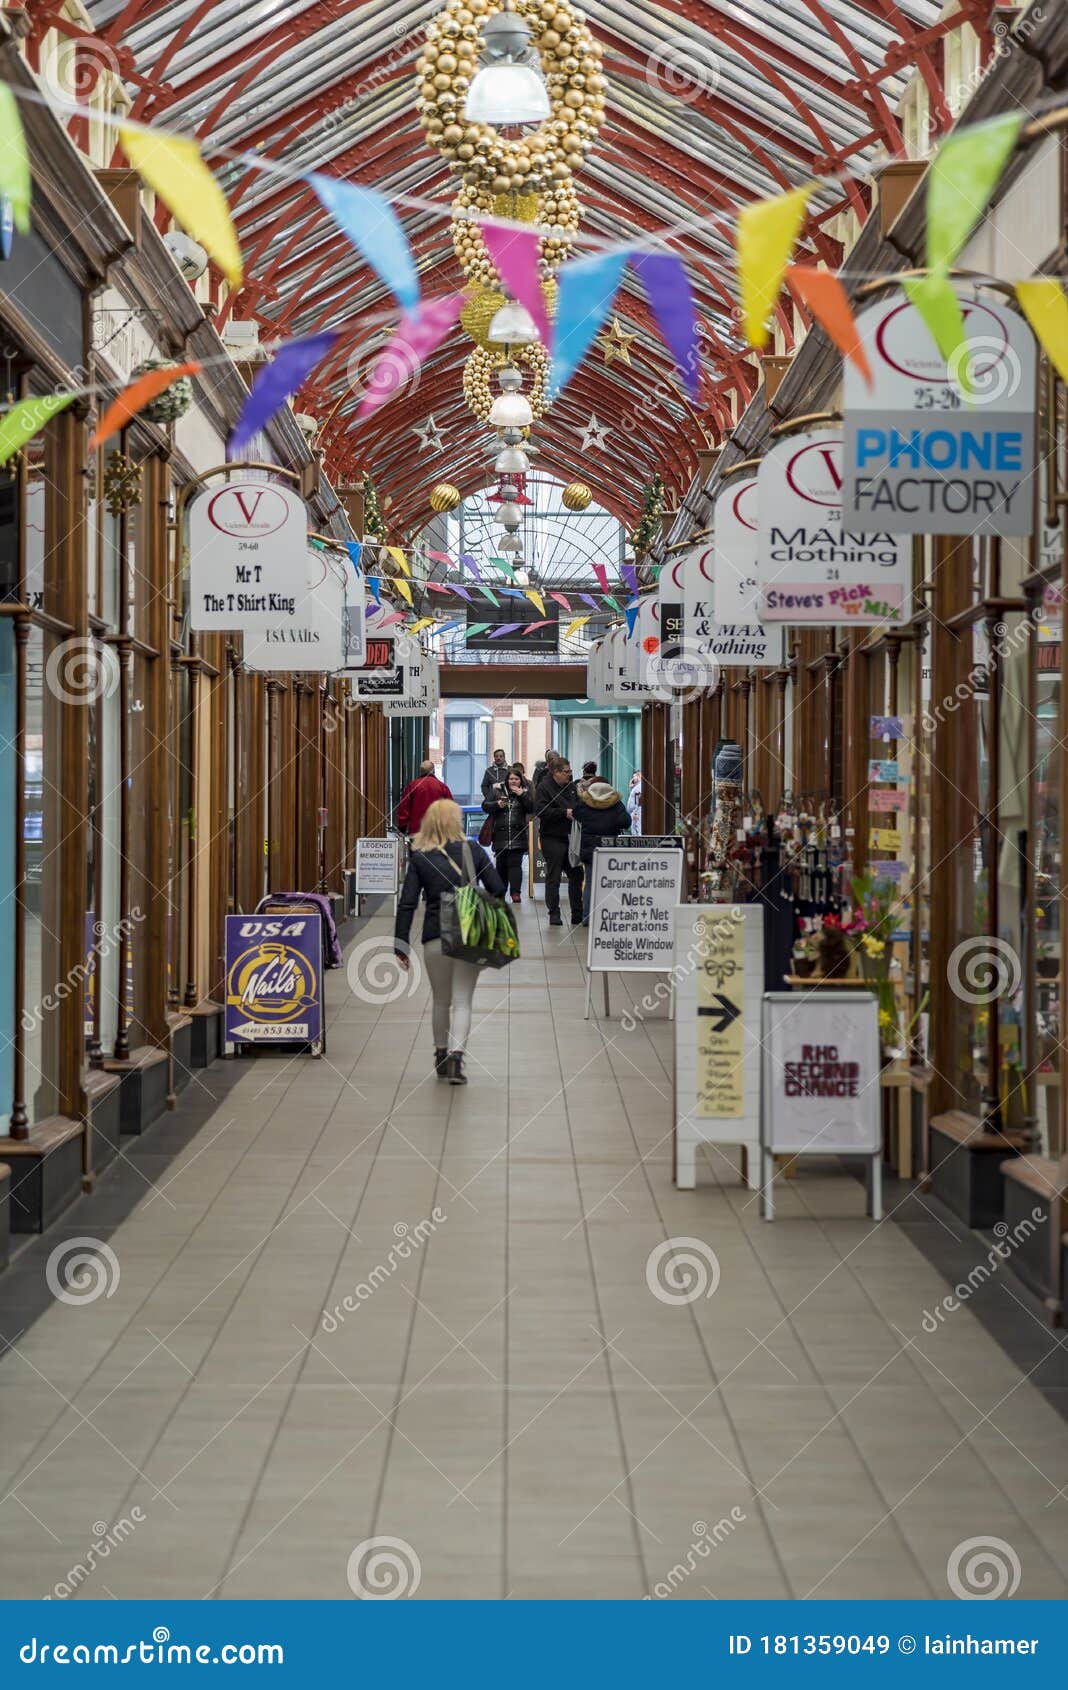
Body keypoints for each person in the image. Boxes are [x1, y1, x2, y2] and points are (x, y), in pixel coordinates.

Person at [394, 799, 504, 1086]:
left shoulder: (420, 856)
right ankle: (457, 1059)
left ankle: (440, 1057)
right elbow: (498, 887)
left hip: (434, 935)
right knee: (463, 1001)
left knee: (440, 1000)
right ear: (456, 821)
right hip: (468, 933)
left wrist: (400, 945)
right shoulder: (472, 850)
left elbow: (407, 904)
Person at [573, 778, 632, 923]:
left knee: (590, 883)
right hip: (611, 847)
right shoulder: (616, 804)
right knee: (611, 883)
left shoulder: (584, 804)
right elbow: (626, 822)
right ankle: (609, 915)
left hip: (589, 847)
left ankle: (587, 917)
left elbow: (575, 814)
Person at [534, 757, 583, 926]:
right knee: (554, 876)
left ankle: (577, 913)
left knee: (576, 874)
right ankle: (554, 913)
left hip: (571, 837)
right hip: (551, 837)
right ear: (555, 772)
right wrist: (564, 813)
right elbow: (540, 810)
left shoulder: (570, 787)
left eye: (570, 772)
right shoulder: (543, 787)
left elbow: (577, 805)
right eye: (566, 772)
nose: (570, 775)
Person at [482, 767, 533, 902]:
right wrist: (496, 804)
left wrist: (522, 795)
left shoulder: (526, 792)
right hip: (500, 835)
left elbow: (532, 808)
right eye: (511, 779)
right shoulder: (497, 791)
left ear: (520, 780)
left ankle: (515, 893)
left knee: (515, 865)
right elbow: (485, 806)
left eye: (516, 779)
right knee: (501, 865)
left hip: (518, 835)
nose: (513, 781)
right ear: (507, 780)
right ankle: (501, 892)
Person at [396, 759, 452, 836]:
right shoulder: (442, 787)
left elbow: (404, 808)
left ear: (421, 771)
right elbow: (450, 809)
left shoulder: (412, 786)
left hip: (417, 832)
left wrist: (402, 827)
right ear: (433, 771)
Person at [627, 770, 643, 835]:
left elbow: (638, 801)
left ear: (639, 776)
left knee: (637, 832)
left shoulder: (639, 787)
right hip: (635, 812)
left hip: (636, 813)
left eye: (634, 776)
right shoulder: (637, 786)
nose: (633, 778)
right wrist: (632, 787)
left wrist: (636, 813)